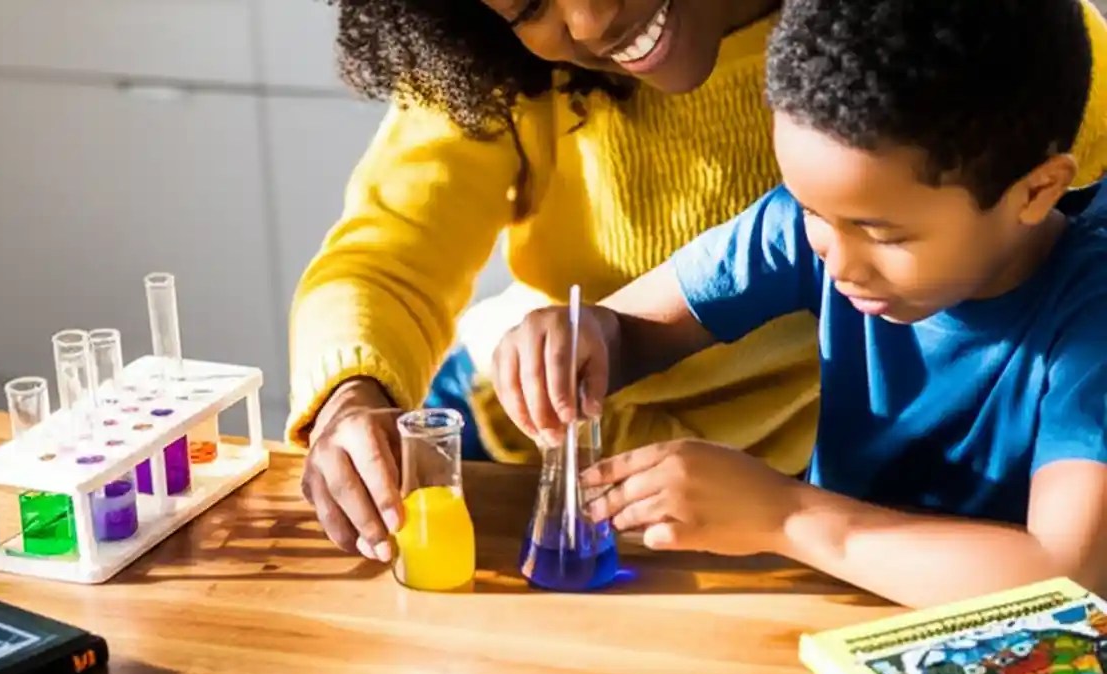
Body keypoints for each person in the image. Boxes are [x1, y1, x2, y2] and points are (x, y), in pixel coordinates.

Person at [288, 0, 1107, 563]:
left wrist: (783, 514)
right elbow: (390, 252)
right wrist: (355, 394)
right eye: (527, 4)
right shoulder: (798, 228)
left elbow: (1063, 569)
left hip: (806, 518)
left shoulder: (977, 47)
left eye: (883, 229)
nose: (591, 18)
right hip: (561, 452)